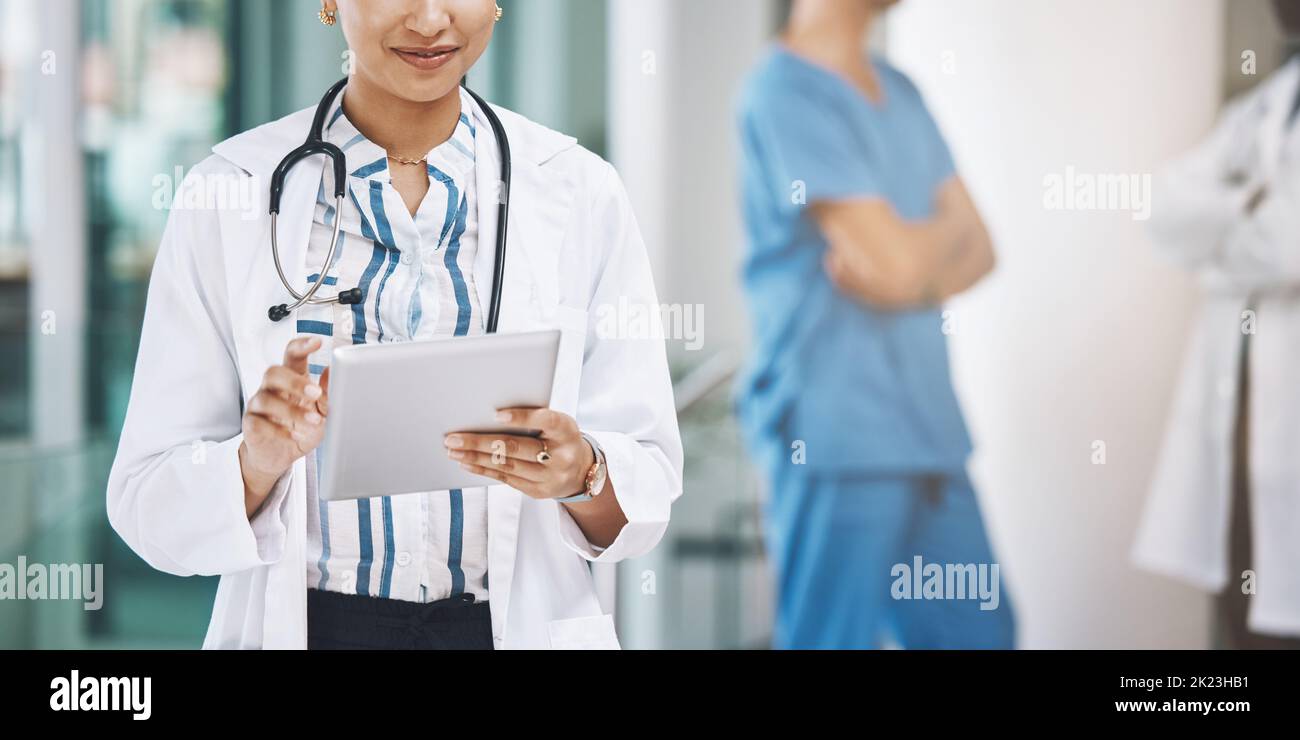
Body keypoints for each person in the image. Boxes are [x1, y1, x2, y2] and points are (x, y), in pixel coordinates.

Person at [106, 0, 682, 650]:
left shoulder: (581, 193)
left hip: (505, 629)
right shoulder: (227, 195)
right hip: (313, 629)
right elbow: (145, 503)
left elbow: (649, 481)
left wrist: (582, 472)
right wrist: (255, 462)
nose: (432, 20)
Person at [735, 0, 1012, 649]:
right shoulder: (784, 93)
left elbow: (983, 248)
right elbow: (906, 256)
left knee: (981, 637)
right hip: (836, 434)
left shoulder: (902, 89)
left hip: (930, 431)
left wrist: (912, 270)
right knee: (831, 639)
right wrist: (930, 252)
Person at [1133, 0, 1300, 649]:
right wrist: (1251, 204)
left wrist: (1222, 232)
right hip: (1242, 440)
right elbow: (1165, 211)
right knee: (1243, 620)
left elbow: (1290, 243)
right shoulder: (1266, 103)